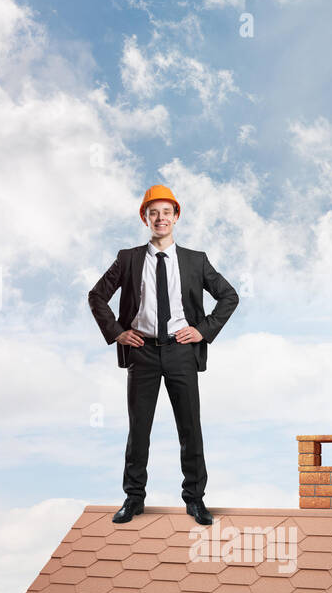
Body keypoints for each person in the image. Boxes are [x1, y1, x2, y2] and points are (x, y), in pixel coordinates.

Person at [87, 184, 239, 525]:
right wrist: (117, 332)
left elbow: (229, 296)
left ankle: (195, 499)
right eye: (153, 212)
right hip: (141, 352)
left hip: (181, 351)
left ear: (176, 216)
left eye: (166, 212)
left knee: (190, 427)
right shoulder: (127, 259)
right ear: (145, 218)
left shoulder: (196, 260)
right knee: (139, 428)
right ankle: (133, 498)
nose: (160, 218)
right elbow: (96, 296)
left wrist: (203, 330)